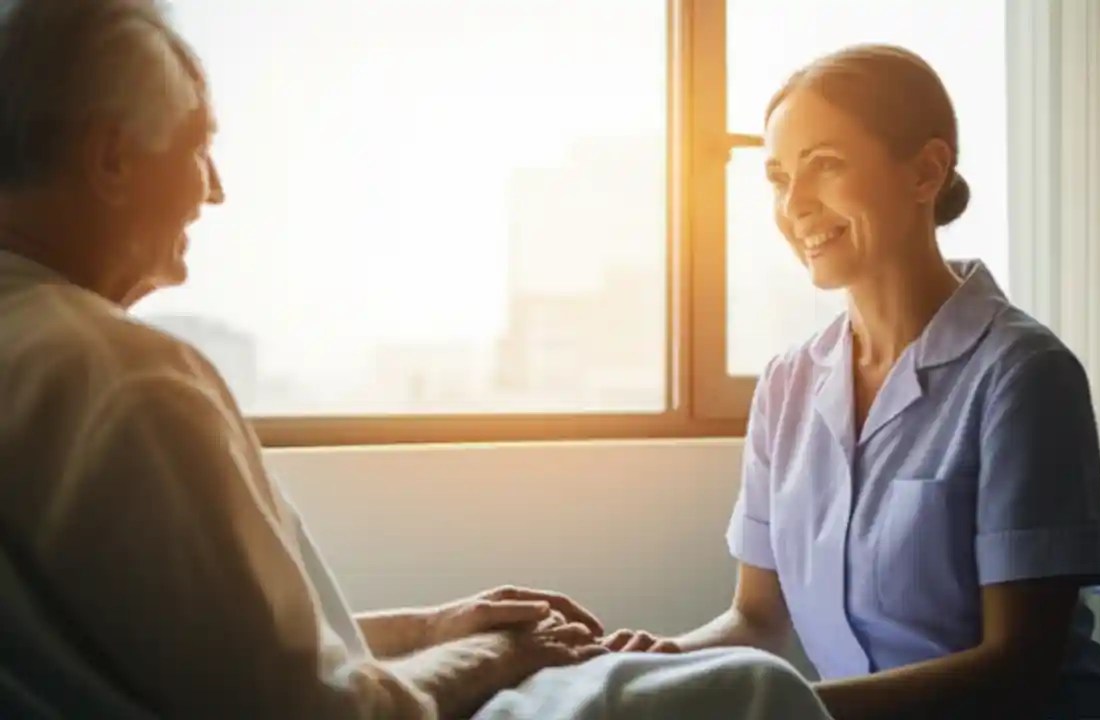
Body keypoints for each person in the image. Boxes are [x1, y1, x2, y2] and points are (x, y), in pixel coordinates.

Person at [0, 1, 835, 718]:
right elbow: (329, 709)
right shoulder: (125, 378)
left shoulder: (40, 350)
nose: (213, 188)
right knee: (753, 693)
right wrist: (494, 660)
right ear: (110, 159)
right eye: (196, 146)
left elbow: (225, 648)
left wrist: (434, 629)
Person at [603, 45, 1100, 719]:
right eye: (777, 177)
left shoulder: (1023, 375)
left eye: (825, 165)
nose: (795, 204)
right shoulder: (788, 383)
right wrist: (651, 669)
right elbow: (759, 619)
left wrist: (783, 710)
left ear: (926, 171)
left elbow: (1017, 668)